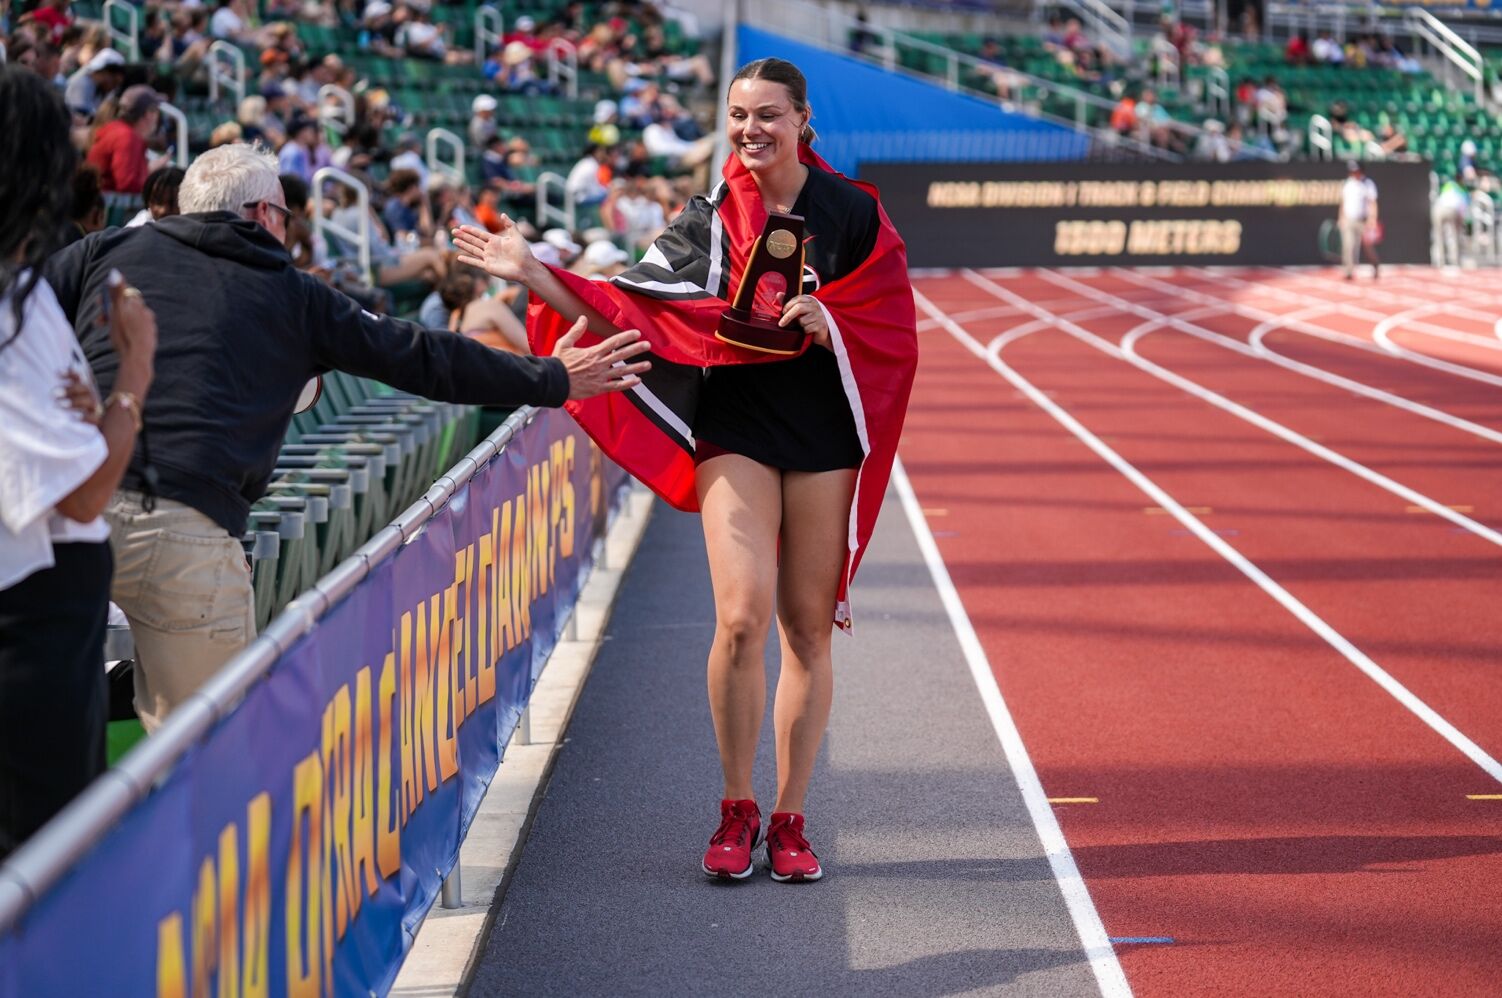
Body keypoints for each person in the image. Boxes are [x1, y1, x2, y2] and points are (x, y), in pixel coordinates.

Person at [452, 57, 918, 884]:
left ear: (802, 121)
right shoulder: (707, 219)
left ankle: (791, 819)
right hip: (736, 427)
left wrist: (828, 318)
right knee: (740, 618)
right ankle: (737, 806)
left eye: (768, 115)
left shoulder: (854, 212)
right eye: (740, 115)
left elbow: (889, 323)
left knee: (806, 629)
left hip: (823, 437)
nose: (751, 130)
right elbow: (634, 305)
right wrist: (532, 272)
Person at [44, 142, 652, 731]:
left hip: (59, 503)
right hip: (183, 524)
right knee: (208, 750)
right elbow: (422, 358)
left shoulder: (99, 252)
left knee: (35, 703)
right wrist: (553, 376)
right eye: (286, 215)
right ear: (262, 215)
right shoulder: (291, 292)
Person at [0, 65, 158, 860]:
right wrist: (135, 373)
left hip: (44, 611)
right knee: (47, 864)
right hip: (29, 621)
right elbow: (91, 490)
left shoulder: (25, 295)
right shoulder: (12, 310)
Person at [85, 84, 165, 195]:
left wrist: (148, 171)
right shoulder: (126, 137)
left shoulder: (116, 129)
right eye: (155, 110)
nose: (157, 116)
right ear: (148, 114)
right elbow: (127, 185)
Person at [1338, 160, 1380, 280]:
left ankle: (1375, 264)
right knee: (1349, 245)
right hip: (1349, 220)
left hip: (1363, 220)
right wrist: (1341, 217)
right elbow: (1343, 202)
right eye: (1352, 171)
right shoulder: (1348, 184)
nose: (1354, 173)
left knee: (1368, 247)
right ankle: (1349, 271)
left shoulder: (1368, 183)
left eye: (1356, 171)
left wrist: (1372, 219)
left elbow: (1372, 202)